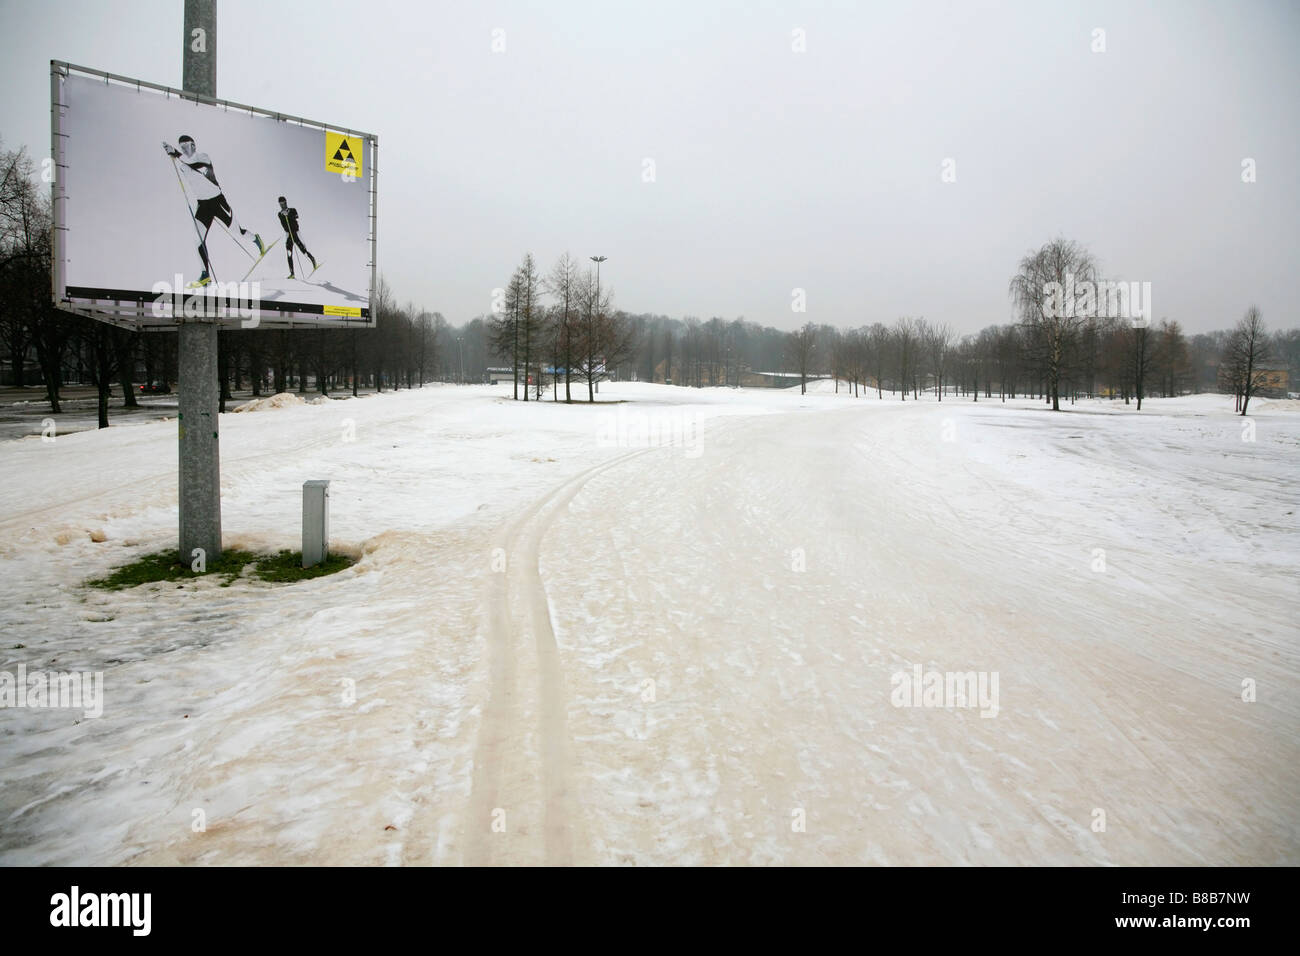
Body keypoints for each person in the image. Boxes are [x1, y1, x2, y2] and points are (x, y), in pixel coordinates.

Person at [162, 134, 264, 287]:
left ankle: (256, 239)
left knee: (238, 231)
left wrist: (176, 153)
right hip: (203, 205)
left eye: (187, 146)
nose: (185, 149)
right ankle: (205, 275)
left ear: (194, 146)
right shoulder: (182, 165)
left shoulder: (203, 157)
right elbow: (189, 170)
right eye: (182, 147)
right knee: (198, 240)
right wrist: (175, 156)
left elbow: (197, 167)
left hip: (217, 201)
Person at [276, 196, 318, 278]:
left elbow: (297, 218)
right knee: (289, 254)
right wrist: (284, 216)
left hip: (296, 233)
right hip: (288, 235)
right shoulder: (280, 214)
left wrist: (288, 215)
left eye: (283, 203)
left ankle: (312, 259)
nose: (282, 205)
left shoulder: (293, 210)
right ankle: (292, 274)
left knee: (303, 250)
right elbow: (283, 225)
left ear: (286, 202)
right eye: (280, 204)